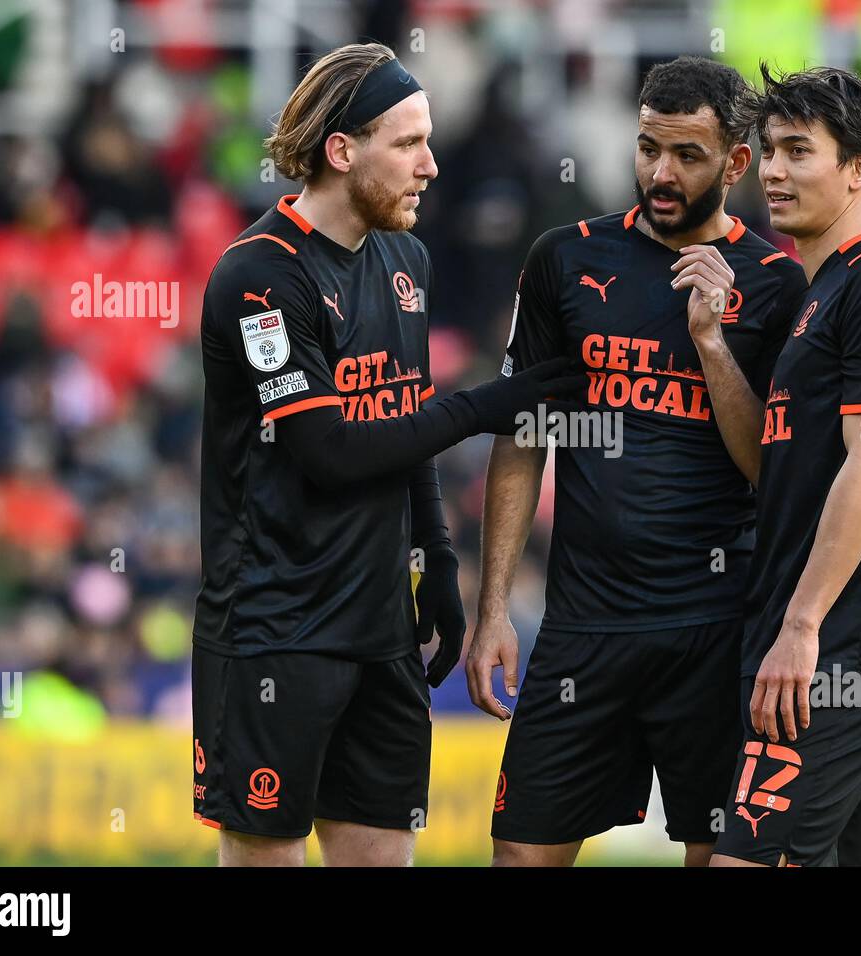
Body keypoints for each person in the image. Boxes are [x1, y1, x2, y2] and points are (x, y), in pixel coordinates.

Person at [191, 43, 580, 867]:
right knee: (266, 852)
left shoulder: (407, 259)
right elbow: (327, 449)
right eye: (408, 144)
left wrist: (438, 561)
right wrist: (485, 405)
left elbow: (399, 420)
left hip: (381, 629)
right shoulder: (258, 279)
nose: (431, 165)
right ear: (342, 151)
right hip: (274, 628)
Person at [466, 56, 807, 867]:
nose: (661, 171)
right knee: (519, 854)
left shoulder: (776, 286)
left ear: (735, 163)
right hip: (585, 627)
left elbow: (773, 471)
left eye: (687, 155)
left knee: (713, 855)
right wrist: (493, 608)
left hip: (716, 632)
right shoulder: (564, 260)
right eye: (649, 146)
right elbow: (522, 436)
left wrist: (712, 343)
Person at [693, 65, 861, 867]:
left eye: (799, 150)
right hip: (808, 637)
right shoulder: (816, 294)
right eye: (768, 150)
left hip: (842, 647)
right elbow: (778, 473)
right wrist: (710, 346)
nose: (772, 170)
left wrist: (802, 630)